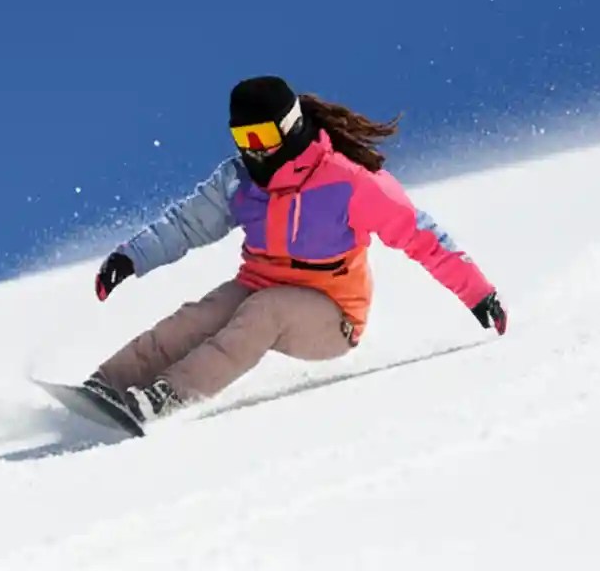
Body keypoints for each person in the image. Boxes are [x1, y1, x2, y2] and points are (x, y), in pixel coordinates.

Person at [84, 75, 507, 425]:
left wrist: (478, 293)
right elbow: (185, 224)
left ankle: (166, 397)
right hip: (258, 286)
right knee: (200, 316)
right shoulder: (241, 178)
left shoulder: (348, 182)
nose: (253, 147)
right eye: (242, 136)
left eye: (262, 135)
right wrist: (129, 257)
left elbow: (422, 235)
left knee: (263, 311)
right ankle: (108, 384)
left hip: (332, 315)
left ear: (289, 127)